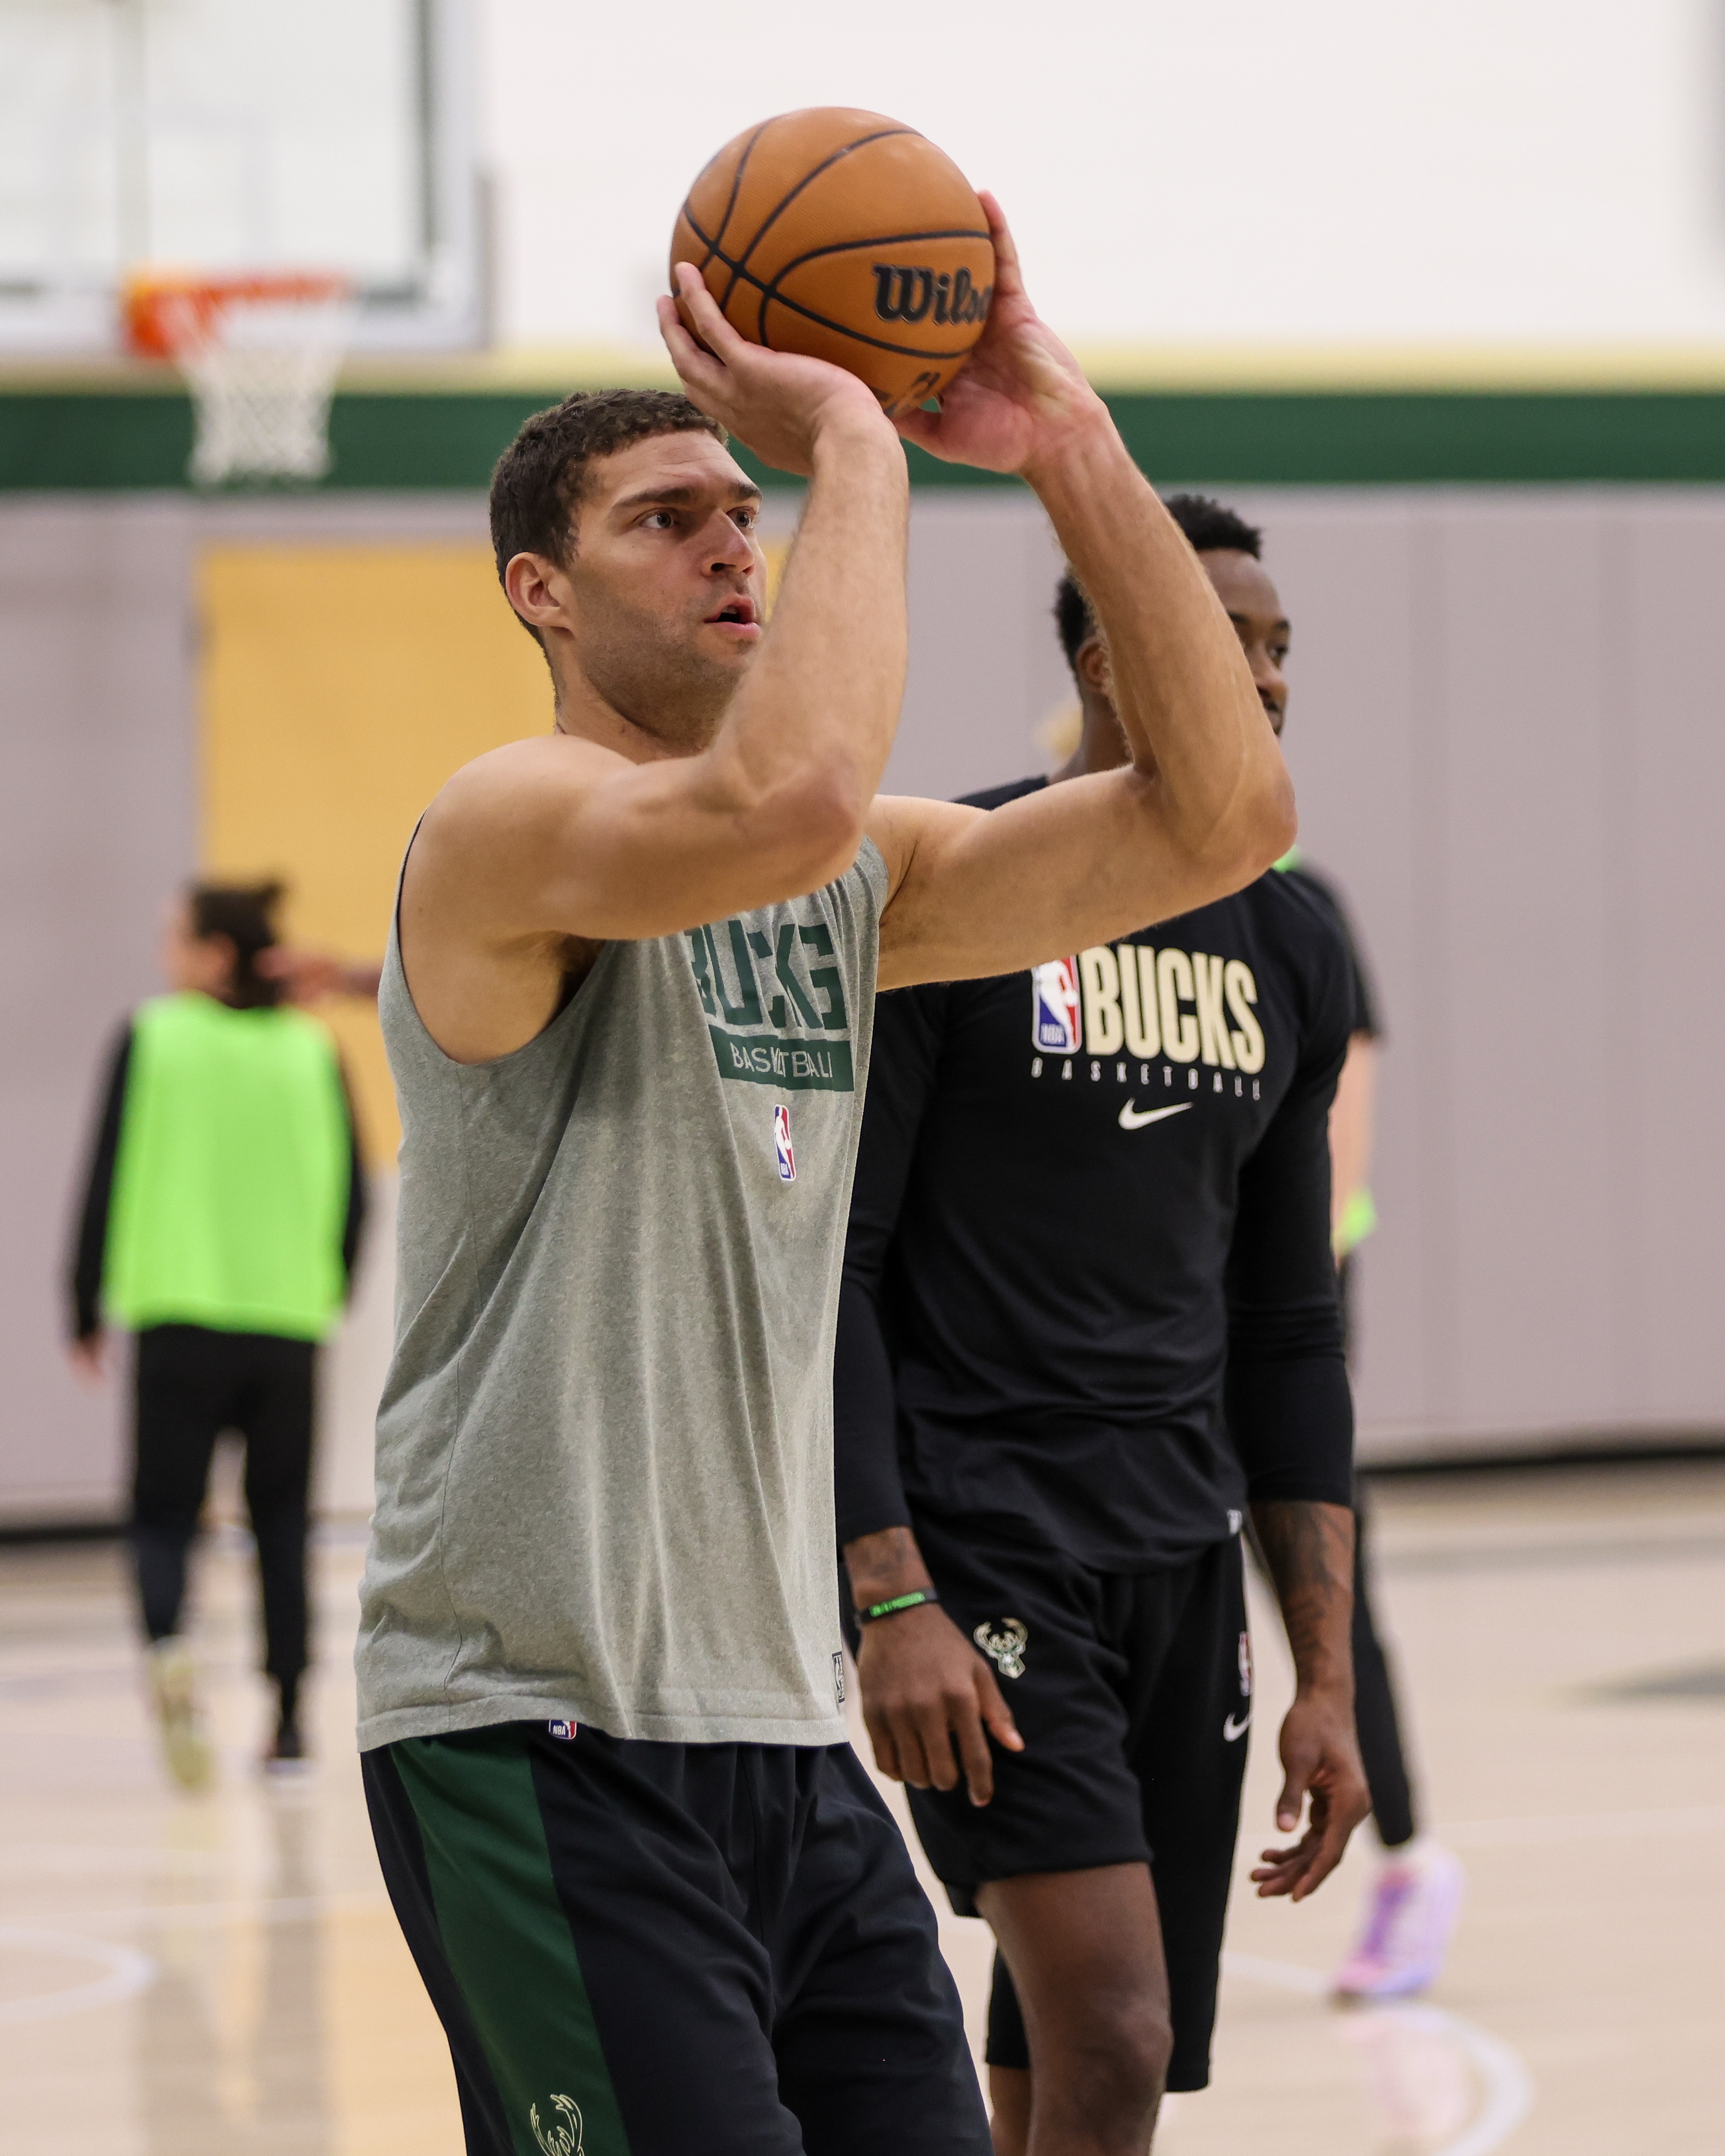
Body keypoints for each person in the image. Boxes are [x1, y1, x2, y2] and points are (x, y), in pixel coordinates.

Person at [352, 201, 1294, 2156]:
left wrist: (1061, 440)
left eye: (740, 507)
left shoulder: (857, 884)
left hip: (782, 1744)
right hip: (537, 1726)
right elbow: (775, 800)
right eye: (665, 518)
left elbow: (1220, 825)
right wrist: (856, 440)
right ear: (537, 591)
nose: (728, 541)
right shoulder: (509, 823)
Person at [834, 493, 1372, 2155]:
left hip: (1175, 1553)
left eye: (1281, 650)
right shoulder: (957, 887)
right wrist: (887, 1586)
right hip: (982, 1542)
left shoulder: (1293, 940)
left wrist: (1327, 1672)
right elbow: (835, 1270)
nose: (1267, 681)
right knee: (1115, 2030)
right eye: (1227, 644)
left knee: (1061, 2046)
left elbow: (1286, 1325)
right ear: (1103, 661)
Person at [69, 880, 365, 1784]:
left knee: (163, 1516)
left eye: (178, 938)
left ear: (217, 954)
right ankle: (287, 1722)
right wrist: (329, 1289)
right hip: (286, 1325)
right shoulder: (313, 1050)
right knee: (281, 1523)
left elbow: (106, 1169)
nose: (168, 954)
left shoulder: (154, 1036)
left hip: (177, 1316)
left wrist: (83, 1300)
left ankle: (168, 1648)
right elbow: (354, 1191)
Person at [1268, 845, 1466, 2001]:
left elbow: (1347, 1097)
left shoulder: (1298, 901)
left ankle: (1409, 1864)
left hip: (1284, 1300)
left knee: (1326, 1582)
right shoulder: (1111, 874)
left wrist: (1306, 1274)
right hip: (1157, 1313)